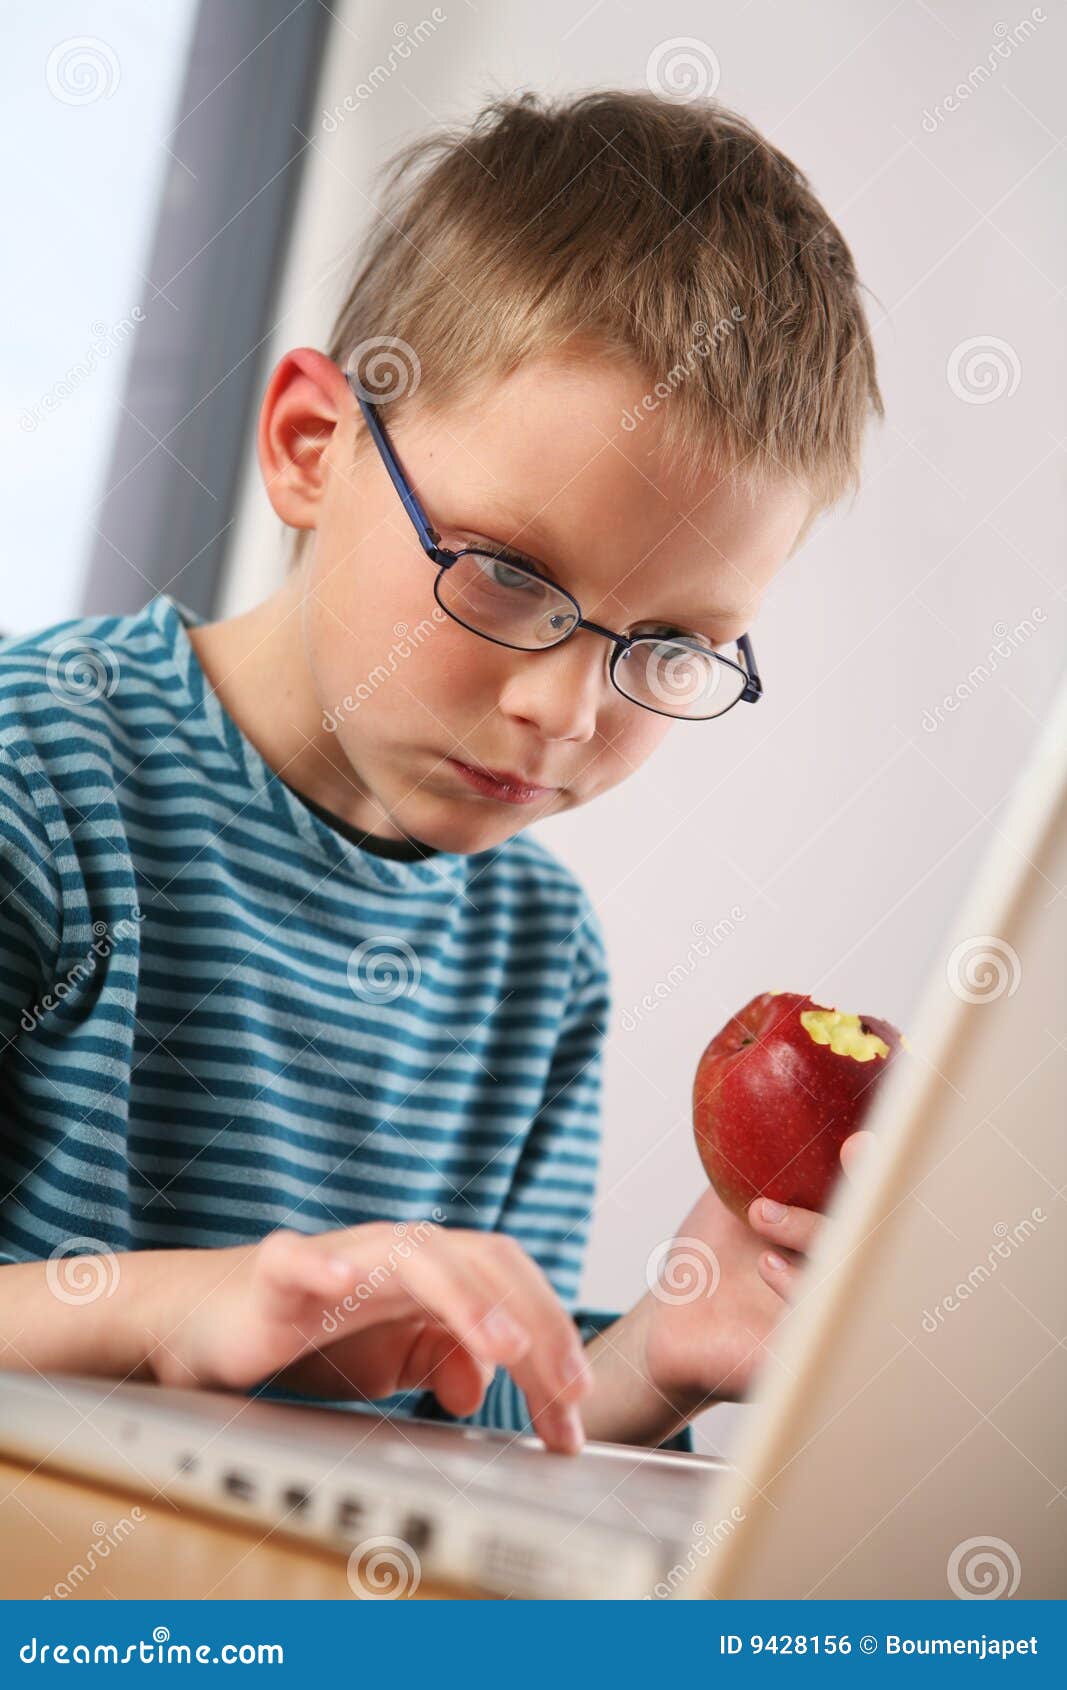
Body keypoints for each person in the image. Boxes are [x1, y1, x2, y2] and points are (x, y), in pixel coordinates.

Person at [0, 90, 883, 1456]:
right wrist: (172, 1308)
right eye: (510, 571)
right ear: (312, 445)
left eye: (670, 645)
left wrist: (655, 1354)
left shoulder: (541, 964)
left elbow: (466, 1412)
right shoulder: (35, 784)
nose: (559, 707)